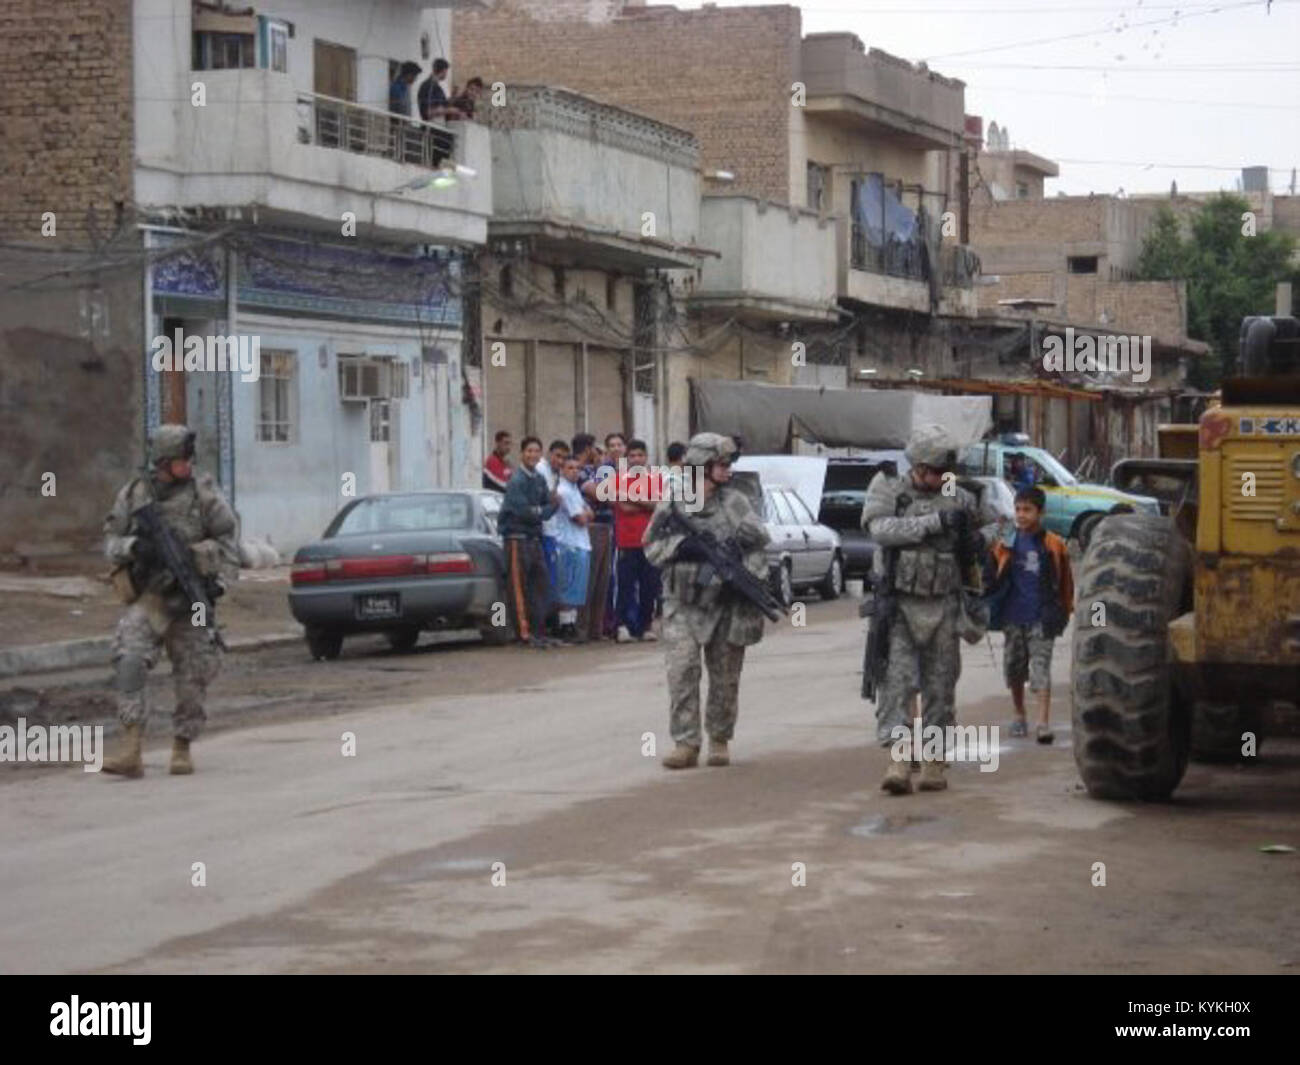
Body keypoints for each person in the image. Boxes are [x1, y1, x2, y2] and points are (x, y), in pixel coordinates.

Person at [100, 424, 240, 778]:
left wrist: (215, 577)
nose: (189, 465)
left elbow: (229, 544)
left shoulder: (205, 497)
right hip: (152, 597)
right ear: (163, 461)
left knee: (193, 675)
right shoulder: (135, 496)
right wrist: (134, 547)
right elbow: (109, 543)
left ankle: (182, 746)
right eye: (181, 459)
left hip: (190, 601)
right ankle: (131, 749)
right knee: (129, 661)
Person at [861, 423, 990, 795]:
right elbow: (880, 529)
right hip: (899, 606)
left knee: (940, 686)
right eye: (930, 472)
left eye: (942, 473)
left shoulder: (961, 496)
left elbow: (995, 531)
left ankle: (934, 762)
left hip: (945, 606)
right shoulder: (888, 488)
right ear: (915, 466)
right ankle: (899, 761)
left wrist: (976, 540)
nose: (936, 480)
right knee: (897, 685)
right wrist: (934, 522)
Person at [643, 433, 770, 769]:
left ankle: (719, 738)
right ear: (702, 466)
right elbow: (650, 546)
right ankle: (685, 743)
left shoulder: (735, 502)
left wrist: (745, 576)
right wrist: (680, 548)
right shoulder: (674, 501)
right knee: (682, 671)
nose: (728, 470)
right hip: (681, 603)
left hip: (724, 604)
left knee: (725, 676)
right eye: (722, 464)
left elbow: (760, 544)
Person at [985, 485, 1073, 743]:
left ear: (1041, 513)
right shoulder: (1005, 543)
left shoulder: (1054, 546)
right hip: (1012, 618)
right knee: (1014, 669)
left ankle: (1043, 723)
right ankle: (1018, 713)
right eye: (1018, 509)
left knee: (1040, 669)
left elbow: (1066, 583)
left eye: (1028, 510)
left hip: (1042, 618)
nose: (1021, 515)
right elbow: (991, 577)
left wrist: (1064, 612)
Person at [497, 437, 559, 649]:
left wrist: (546, 510)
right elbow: (526, 513)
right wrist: (545, 510)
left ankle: (538, 631)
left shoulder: (539, 479)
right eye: (529, 451)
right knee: (518, 588)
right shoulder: (517, 481)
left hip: (534, 539)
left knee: (539, 586)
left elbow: (547, 508)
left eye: (536, 451)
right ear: (522, 454)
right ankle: (523, 634)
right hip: (517, 539)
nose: (533, 455)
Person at [614, 439, 663, 643]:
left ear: (646, 458)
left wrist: (632, 497)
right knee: (625, 586)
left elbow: (659, 506)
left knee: (649, 586)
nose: (636, 459)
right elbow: (622, 507)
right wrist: (645, 502)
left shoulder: (656, 480)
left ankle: (645, 626)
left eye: (640, 455)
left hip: (649, 542)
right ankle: (623, 626)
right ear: (627, 459)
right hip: (626, 541)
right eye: (632, 456)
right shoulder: (617, 480)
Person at [545, 456, 594, 643]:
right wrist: (586, 514)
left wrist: (586, 514)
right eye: (570, 467)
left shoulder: (575, 490)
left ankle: (571, 623)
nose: (575, 471)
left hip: (581, 542)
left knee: (577, 588)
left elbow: (590, 513)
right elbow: (580, 518)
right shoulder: (563, 491)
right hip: (568, 544)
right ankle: (565, 625)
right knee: (567, 586)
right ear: (562, 470)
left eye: (577, 468)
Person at [573, 433, 613, 640]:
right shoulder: (578, 471)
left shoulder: (594, 471)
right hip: (591, 528)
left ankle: (595, 629)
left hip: (604, 526)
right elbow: (600, 494)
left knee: (601, 581)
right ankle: (582, 629)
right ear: (588, 449)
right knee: (588, 580)